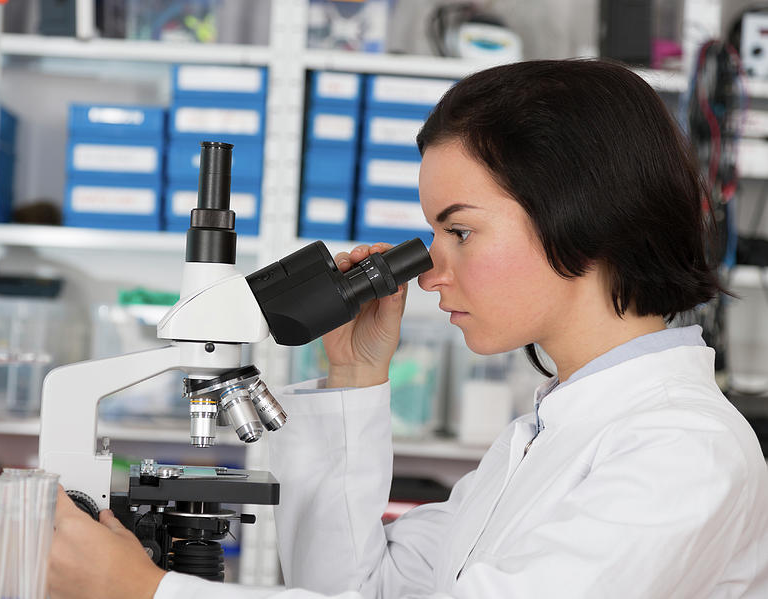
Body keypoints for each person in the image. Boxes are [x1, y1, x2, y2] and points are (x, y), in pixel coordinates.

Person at [47, 59, 768, 598]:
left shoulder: (685, 451)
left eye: (459, 230)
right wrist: (355, 379)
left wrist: (147, 591)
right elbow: (355, 587)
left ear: (582, 214)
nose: (429, 273)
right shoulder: (544, 437)